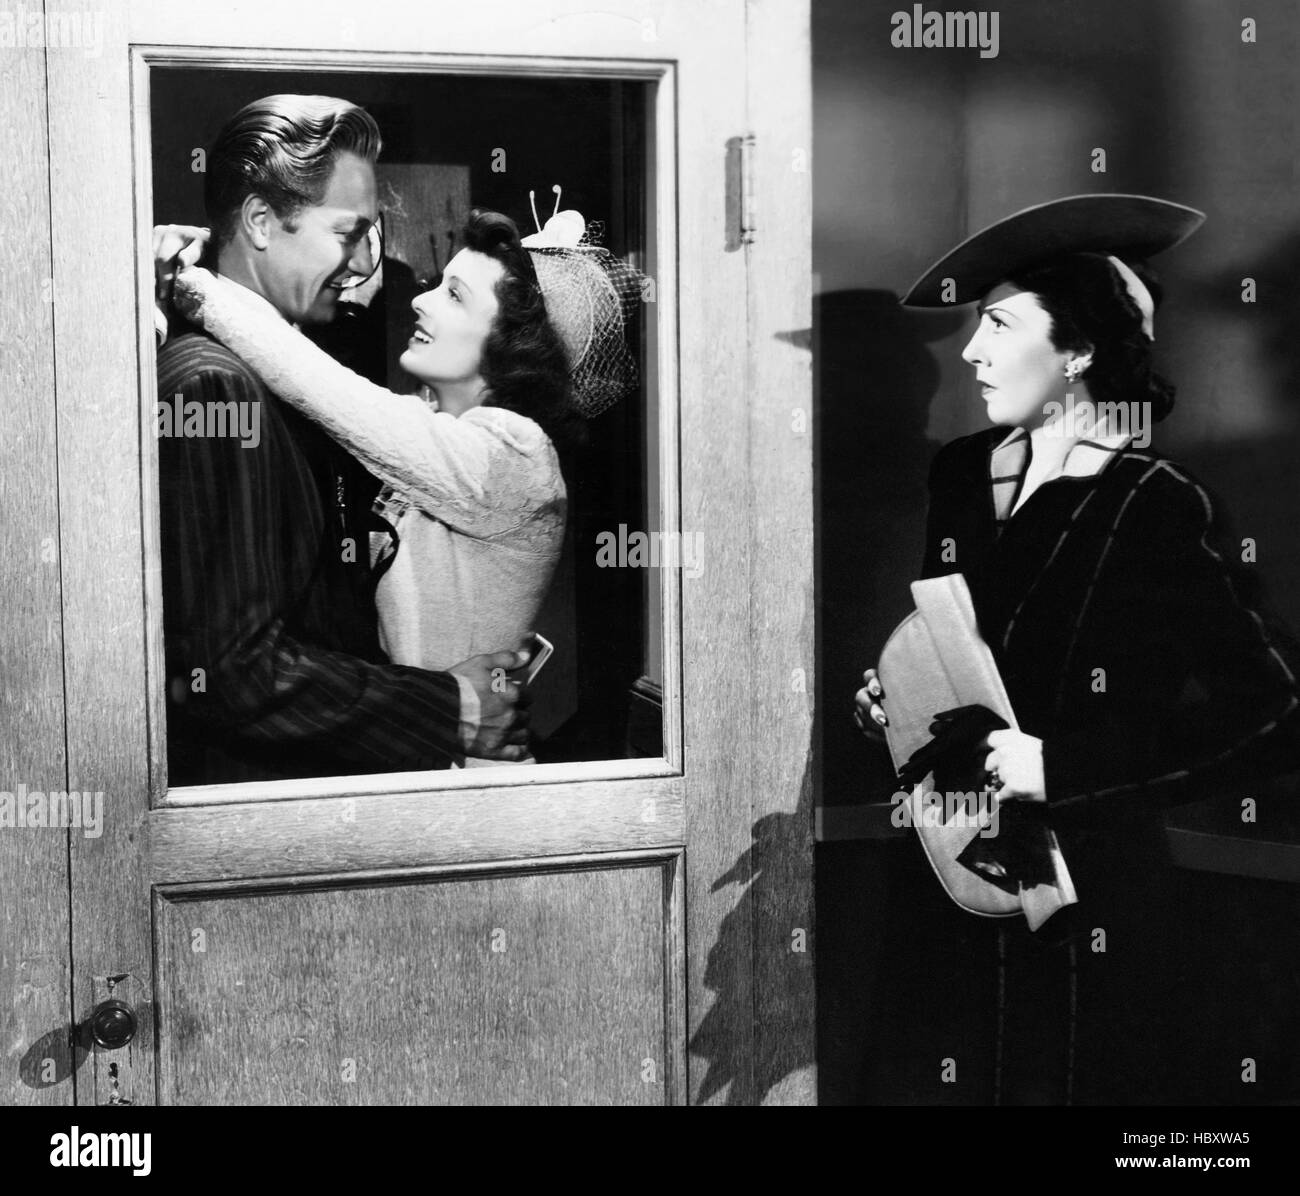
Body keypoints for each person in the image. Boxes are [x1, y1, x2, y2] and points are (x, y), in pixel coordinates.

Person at [852, 194, 1300, 1104]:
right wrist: (896, 701)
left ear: (1080, 351)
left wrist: (1060, 764)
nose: (971, 351)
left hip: (1089, 896)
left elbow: (1275, 712)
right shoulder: (959, 477)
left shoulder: (1156, 504)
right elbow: (967, 644)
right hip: (947, 867)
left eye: (999, 323)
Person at [156, 94, 531, 785]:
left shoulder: (268, 373)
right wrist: (449, 704)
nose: (363, 266)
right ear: (262, 222)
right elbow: (234, 673)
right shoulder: (214, 385)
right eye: (346, 233)